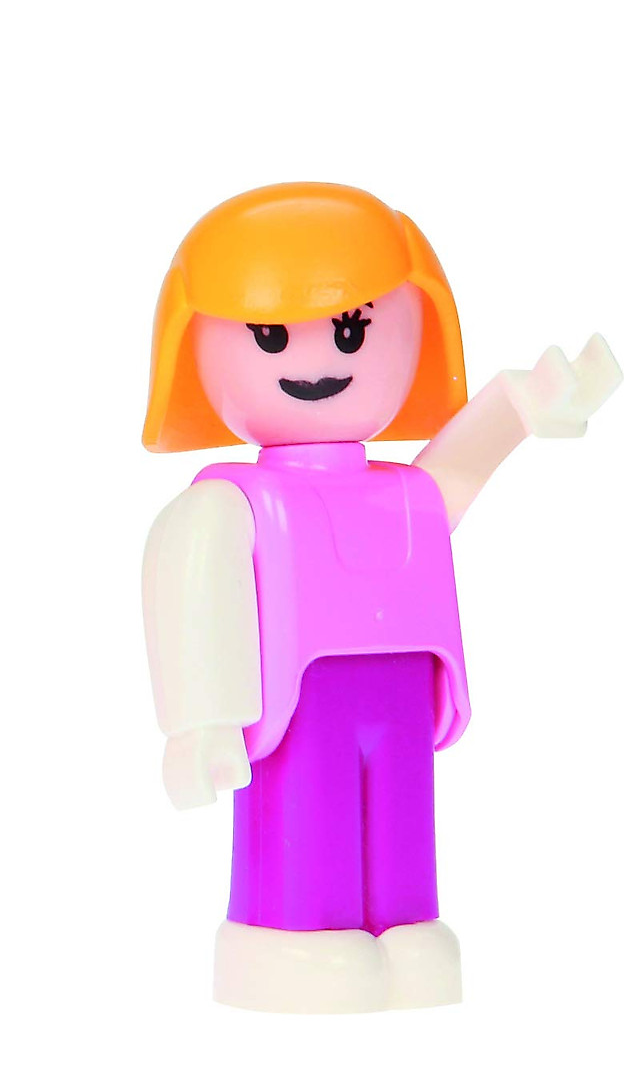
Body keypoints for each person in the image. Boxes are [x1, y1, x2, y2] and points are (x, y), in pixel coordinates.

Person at [141, 182, 620, 1013]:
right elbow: (188, 588)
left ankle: (406, 926)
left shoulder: (402, 491)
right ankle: (295, 936)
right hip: (298, 704)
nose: (320, 359)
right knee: (308, 818)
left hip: (401, 689)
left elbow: (455, 474)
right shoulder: (234, 503)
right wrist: (201, 721)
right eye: (269, 335)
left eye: (353, 328)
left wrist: (521, 407)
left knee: (402, 817)